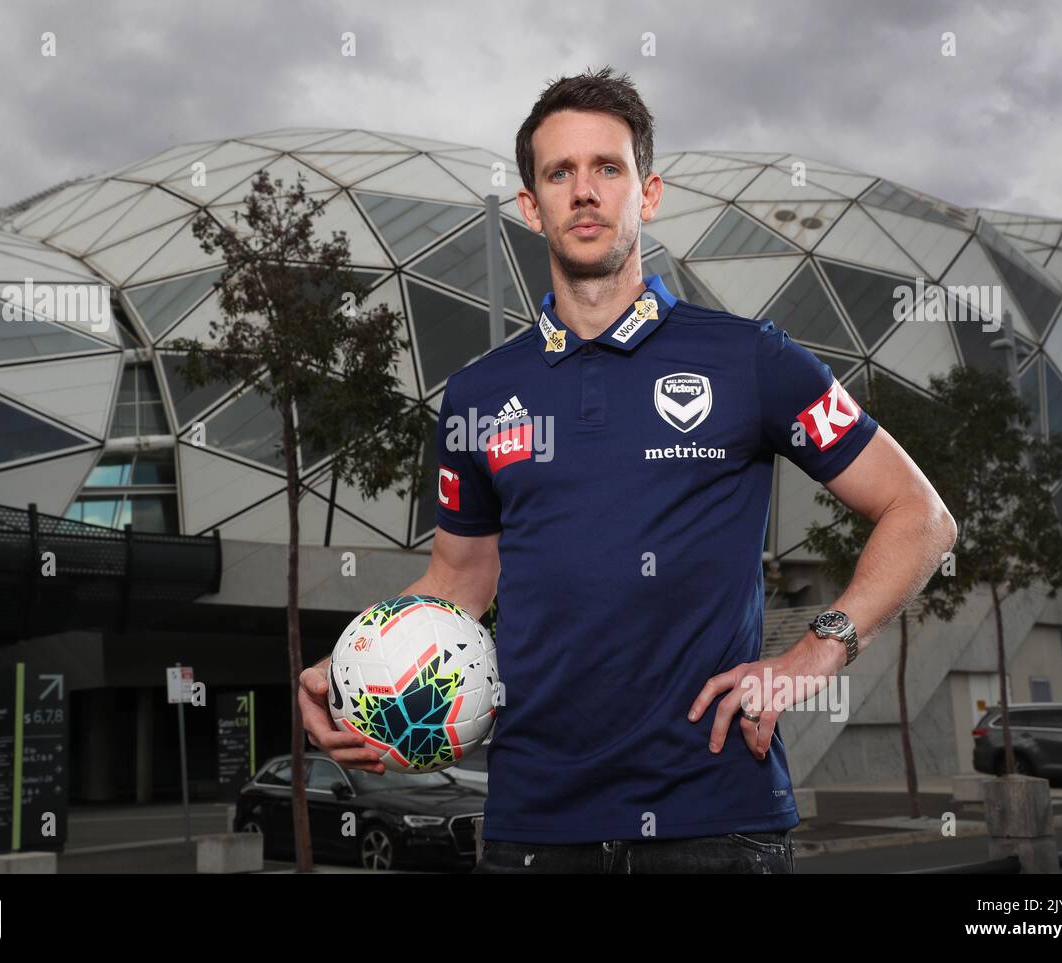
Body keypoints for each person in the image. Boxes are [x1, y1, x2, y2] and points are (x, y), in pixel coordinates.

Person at [300, 66, 957, 874]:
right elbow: (459, 580)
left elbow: (921, 515)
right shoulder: (478, 395)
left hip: (717, 818)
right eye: (560, 173)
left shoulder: (752, 359)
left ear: (646, 194)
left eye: (606, 168)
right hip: (535, 823)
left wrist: (817, 651)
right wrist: (358, 659)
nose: (585, 191)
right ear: (530, 207)